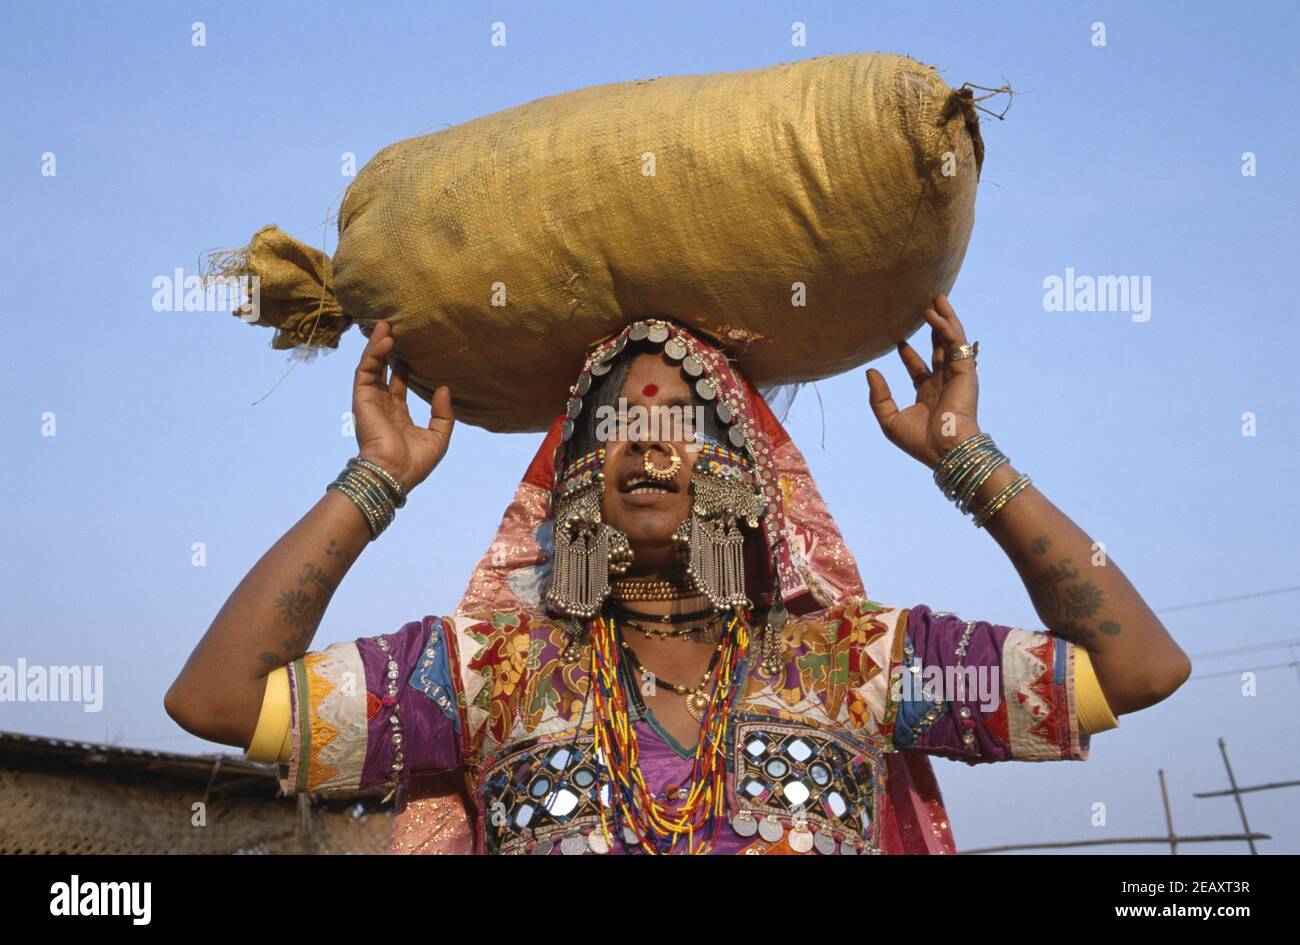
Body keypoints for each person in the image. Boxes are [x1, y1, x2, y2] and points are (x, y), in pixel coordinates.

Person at [165, 295, 1191, 854]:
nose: (644, 448)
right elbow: (215, 700)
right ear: (575, 490)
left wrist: (967, 457)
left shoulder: (856, 661)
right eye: (613, 429)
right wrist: (377, 479)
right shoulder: (489, 672)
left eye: (684, 430)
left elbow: (1137, 670)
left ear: (750, 483)